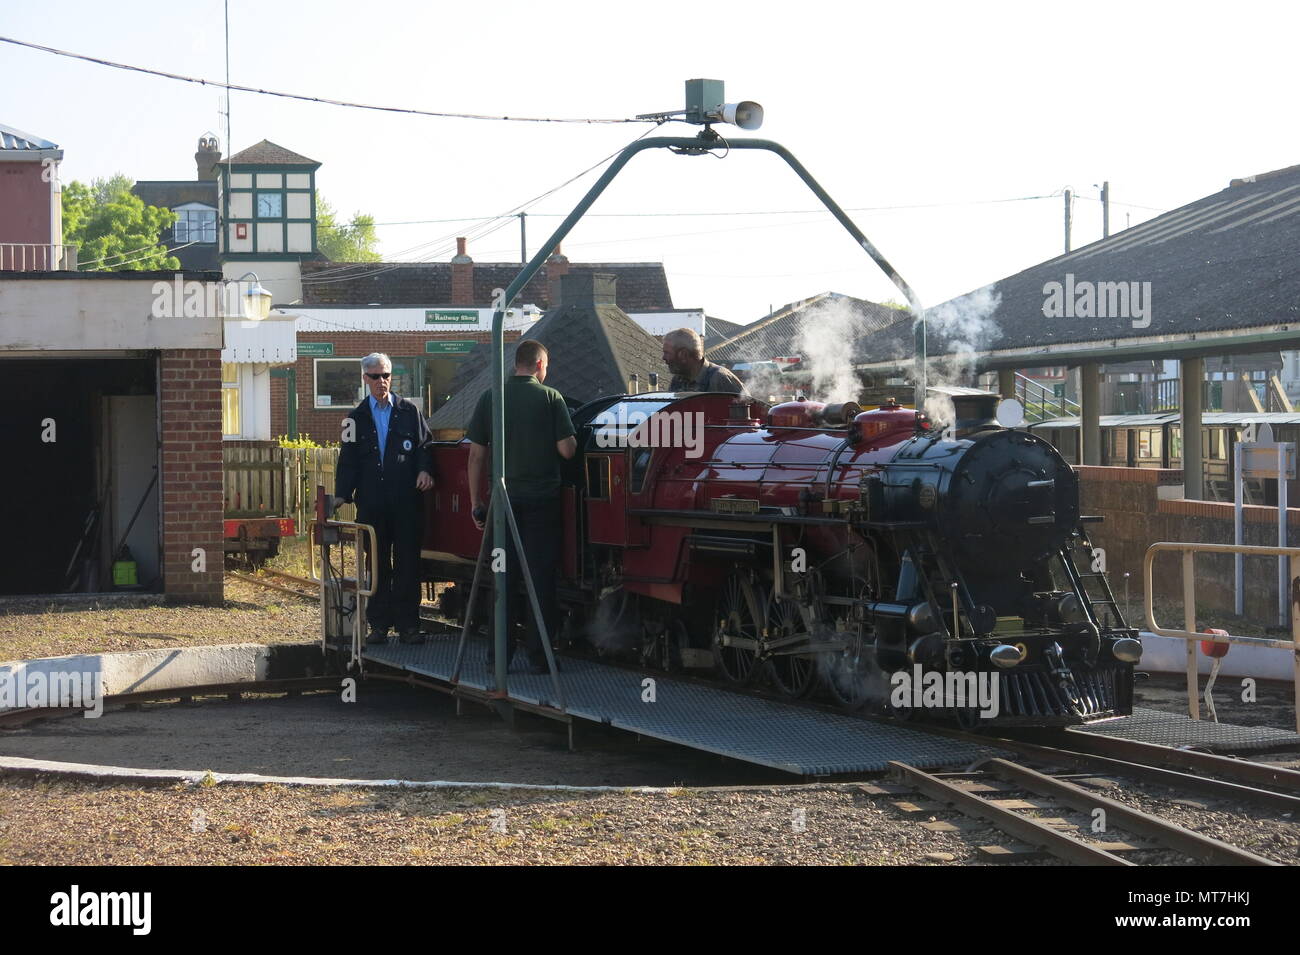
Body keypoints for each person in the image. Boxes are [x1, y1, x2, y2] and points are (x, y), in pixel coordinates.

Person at [466, 340, 577, 674]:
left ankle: (497, 656)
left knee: (502, 576)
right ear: (541, 365)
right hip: (542, 503)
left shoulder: (490, 397)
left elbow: (476, 455)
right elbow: (568, 450)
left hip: (502, 503)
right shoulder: (551, 398)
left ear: (517, 364)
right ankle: (540, 655)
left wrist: (475, 502)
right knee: (540, 579)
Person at [334, 353, 434, 645]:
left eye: (387, 375)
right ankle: (378, 625)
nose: (382, 382)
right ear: (365, 379)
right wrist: (341, 494)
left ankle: (408, 626)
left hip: (406, 503)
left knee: (407, 563)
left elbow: (424, 446)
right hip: (373, 504)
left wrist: (425, 470)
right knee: (376, 565)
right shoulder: (355, 418)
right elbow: (348, 459)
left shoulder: (409, 412)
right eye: (376, 377)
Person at [662, 327, 746, 394]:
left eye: (667, 353)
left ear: (684, 354)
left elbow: (751, 408)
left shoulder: (719, 379)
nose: (663, 358)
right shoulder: (677, 381)